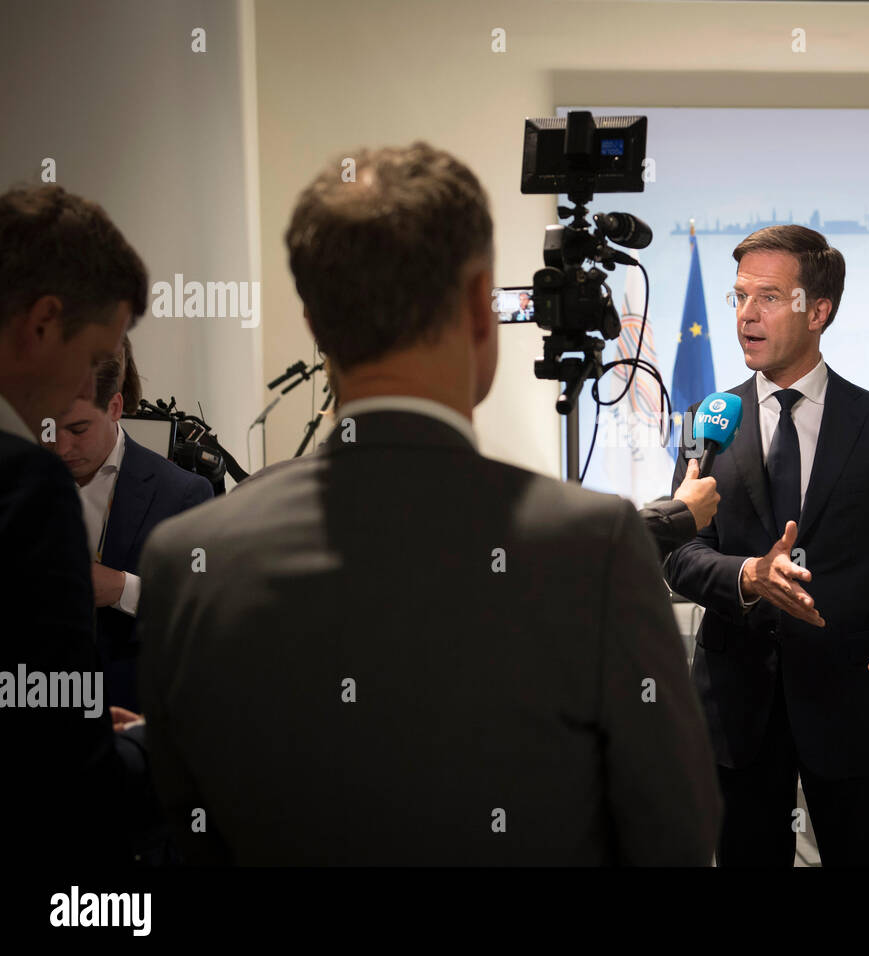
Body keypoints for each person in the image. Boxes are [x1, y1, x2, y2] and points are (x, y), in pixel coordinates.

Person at [137, 142, 721, 865]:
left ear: (316, 324)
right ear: (483, 308)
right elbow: (676, 835)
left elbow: (184, 831)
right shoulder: (594, 548)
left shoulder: (184, 562)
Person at [664, 225, 869, 867]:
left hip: (852, 705)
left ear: (818, 311)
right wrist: (746, 576)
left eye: (768, 296)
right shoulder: (705, 421)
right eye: (738, 296)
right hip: (735, 712)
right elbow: (681, 554)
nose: (745, 314)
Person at [0, 183, 154, 864]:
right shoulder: (26, 490)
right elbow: (62, 781)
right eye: (96, 353)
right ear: (41, 324)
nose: (95, 385)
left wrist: (78, 719)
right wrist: (144, 747)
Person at [56, 338, 214, 712]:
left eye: (77, 430)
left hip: (132, 717)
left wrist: (122, 589)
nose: (61, 447)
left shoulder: (182, 493)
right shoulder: (20, 479)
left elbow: (205, 612)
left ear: (114, 407)